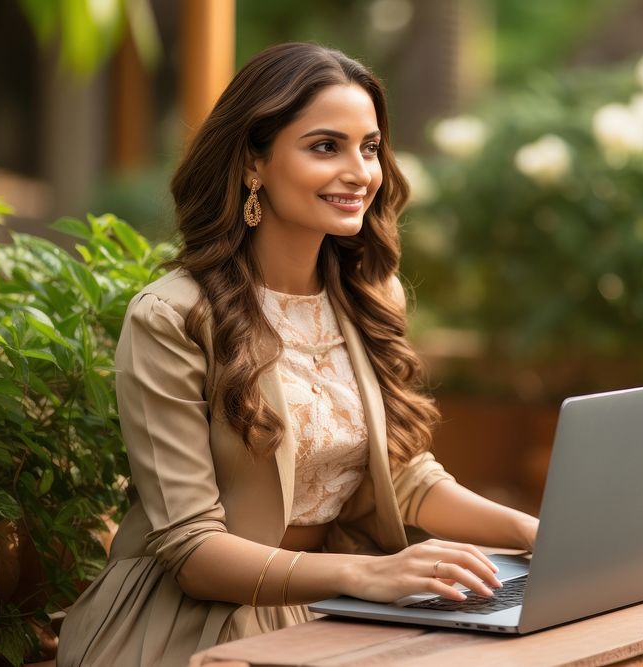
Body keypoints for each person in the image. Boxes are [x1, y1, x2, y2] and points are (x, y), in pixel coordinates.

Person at [57, 43, 539, 666]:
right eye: (325, 147)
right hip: (198, 622)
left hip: (339, 601)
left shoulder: (371, 297)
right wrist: (368, 575)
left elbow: (401, 476)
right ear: (253, 162)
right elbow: (193, 551)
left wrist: (537, 532)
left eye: (370, 147)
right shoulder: (173, 316)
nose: (360, 172)